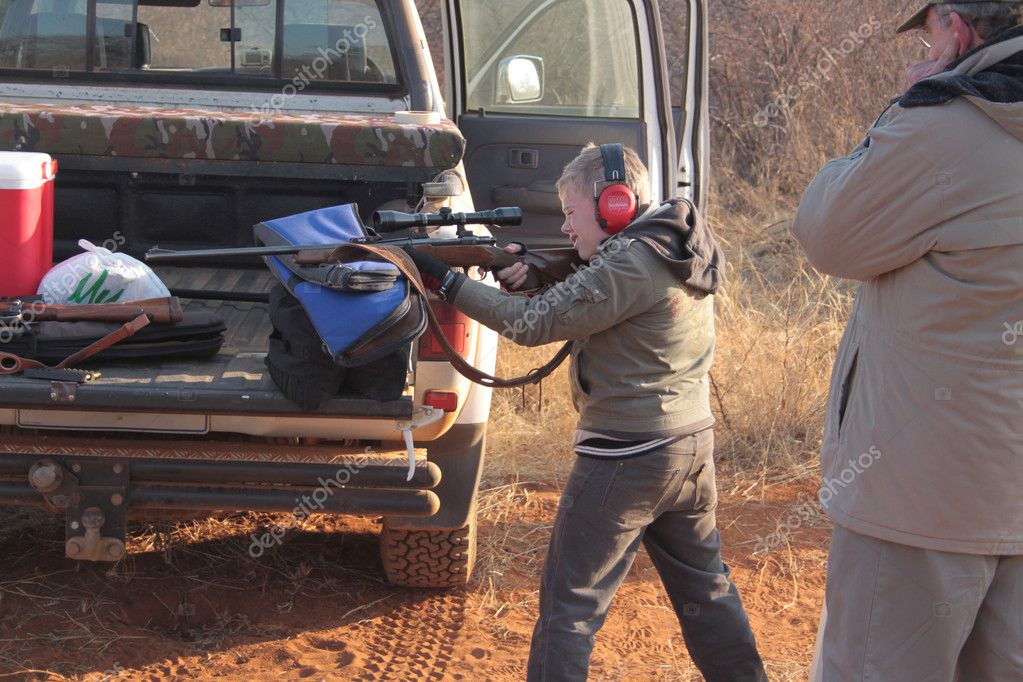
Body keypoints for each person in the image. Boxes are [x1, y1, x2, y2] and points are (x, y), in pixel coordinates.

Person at [405, 143, 766, 681]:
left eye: (572, 214)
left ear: (616, 204)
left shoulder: (632, 260)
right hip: (688, 448)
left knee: (568, 609)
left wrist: (444, 279)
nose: (568, 229)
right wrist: (538, 272)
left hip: (627, 455)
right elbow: (594, 286)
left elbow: (531, 325)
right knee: (707, 594)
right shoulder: (675, 242)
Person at [792, 2, 1023, 680]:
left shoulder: (942, 126)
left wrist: (905, 109)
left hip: (919, 496)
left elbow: (825, 232)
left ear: (955, 28)